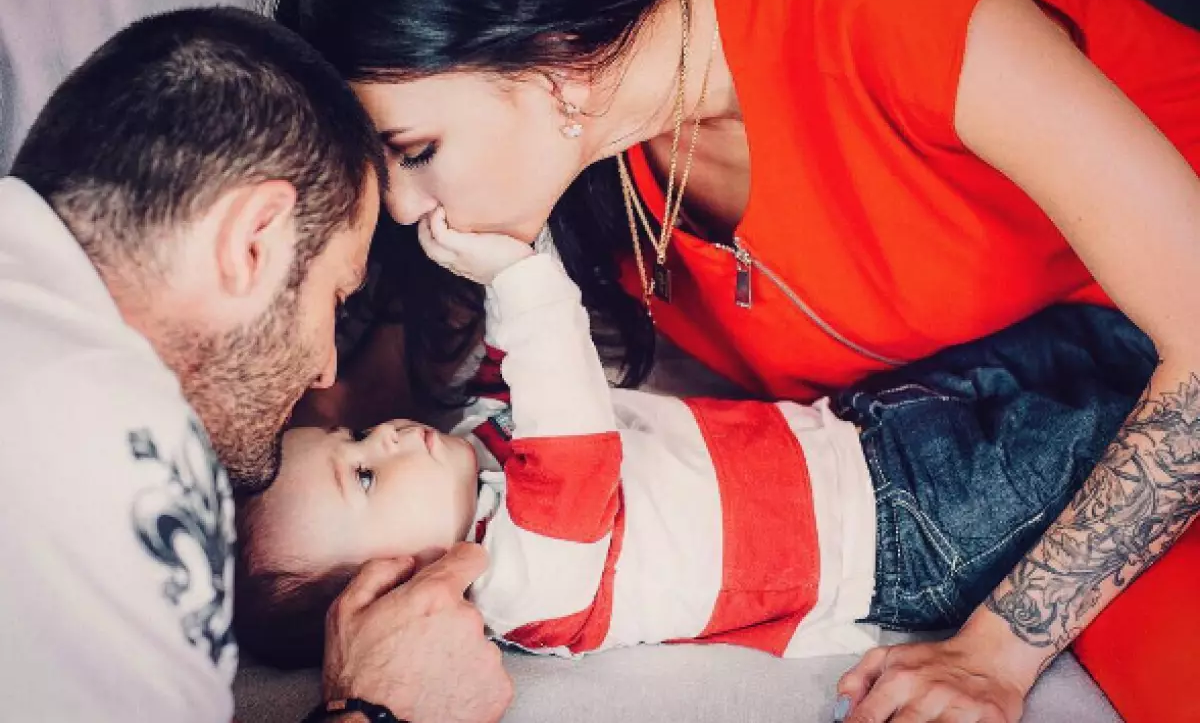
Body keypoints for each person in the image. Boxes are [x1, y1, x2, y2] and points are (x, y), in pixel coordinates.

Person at [269, 0, 1200, 720]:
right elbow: (355, 428)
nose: (402, 206)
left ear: (546, 49)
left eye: (416, 151)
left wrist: (996, 654)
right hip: (993, 406)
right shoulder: (594, 182)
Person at [235, 216, 1154, 688]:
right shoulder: (526, 584)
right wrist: (516, 269)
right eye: (364, 472)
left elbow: (531, 373)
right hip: (910, 535)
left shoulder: (472, 452)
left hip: (865, 431)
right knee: (1112, 444)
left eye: (354, 435)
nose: (385, 435)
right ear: (399, 591)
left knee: (1087, 335)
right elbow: (570, 424)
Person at [0, 7, 511, 723]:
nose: (325, 370)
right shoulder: (117, 440)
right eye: (334, 297)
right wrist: (382, 708)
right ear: (254, 241)